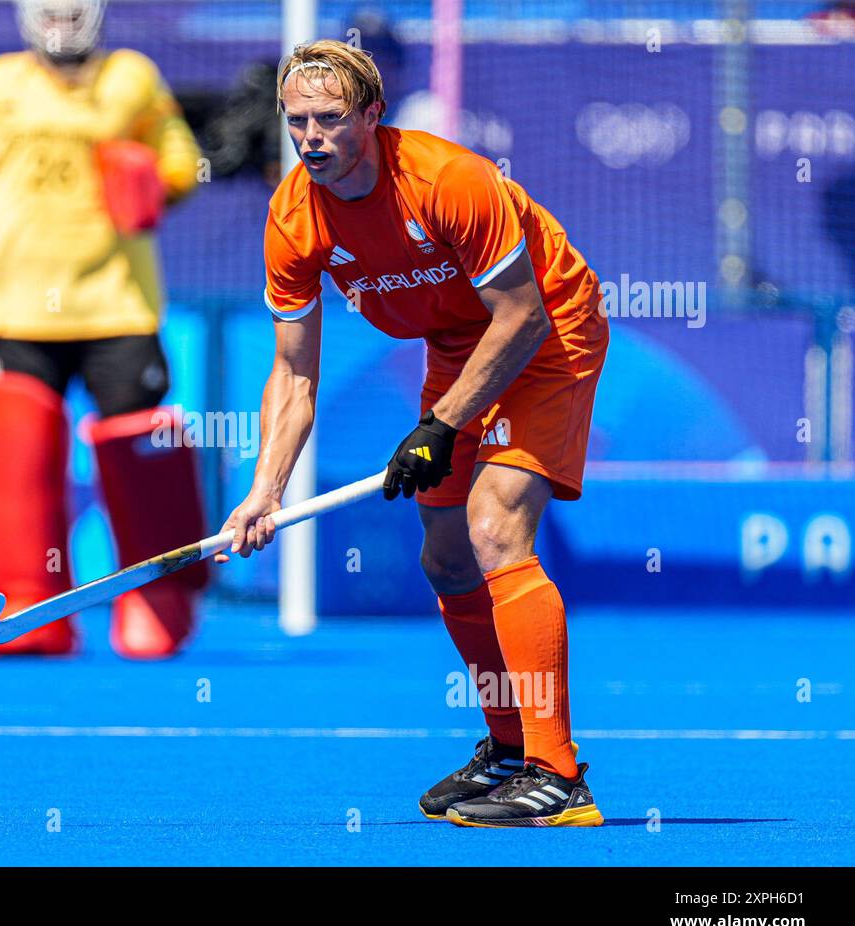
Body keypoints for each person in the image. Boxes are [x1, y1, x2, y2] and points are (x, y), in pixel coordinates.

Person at [217, 40, 608, 827]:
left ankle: (558, 776)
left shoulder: (447, 180)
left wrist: (440, 424)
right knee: (446, 554)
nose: (311, 137)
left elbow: (522, 316)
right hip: (460, 344)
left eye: (330, 118)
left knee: (494, 526)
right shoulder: (293, 219)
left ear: (372, 115)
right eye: (297, 121)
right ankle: (509, 750)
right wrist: (264, 492)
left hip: (547, 328)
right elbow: (293, 375)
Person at [0, 0, 207, 659]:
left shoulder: (132, 78)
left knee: (141, 449)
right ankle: (22, 599)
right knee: (10, 454)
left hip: (117, 303)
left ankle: (158, 598)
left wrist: (157, 182)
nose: (62, 20)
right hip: (19, 307)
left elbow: (180, 156)